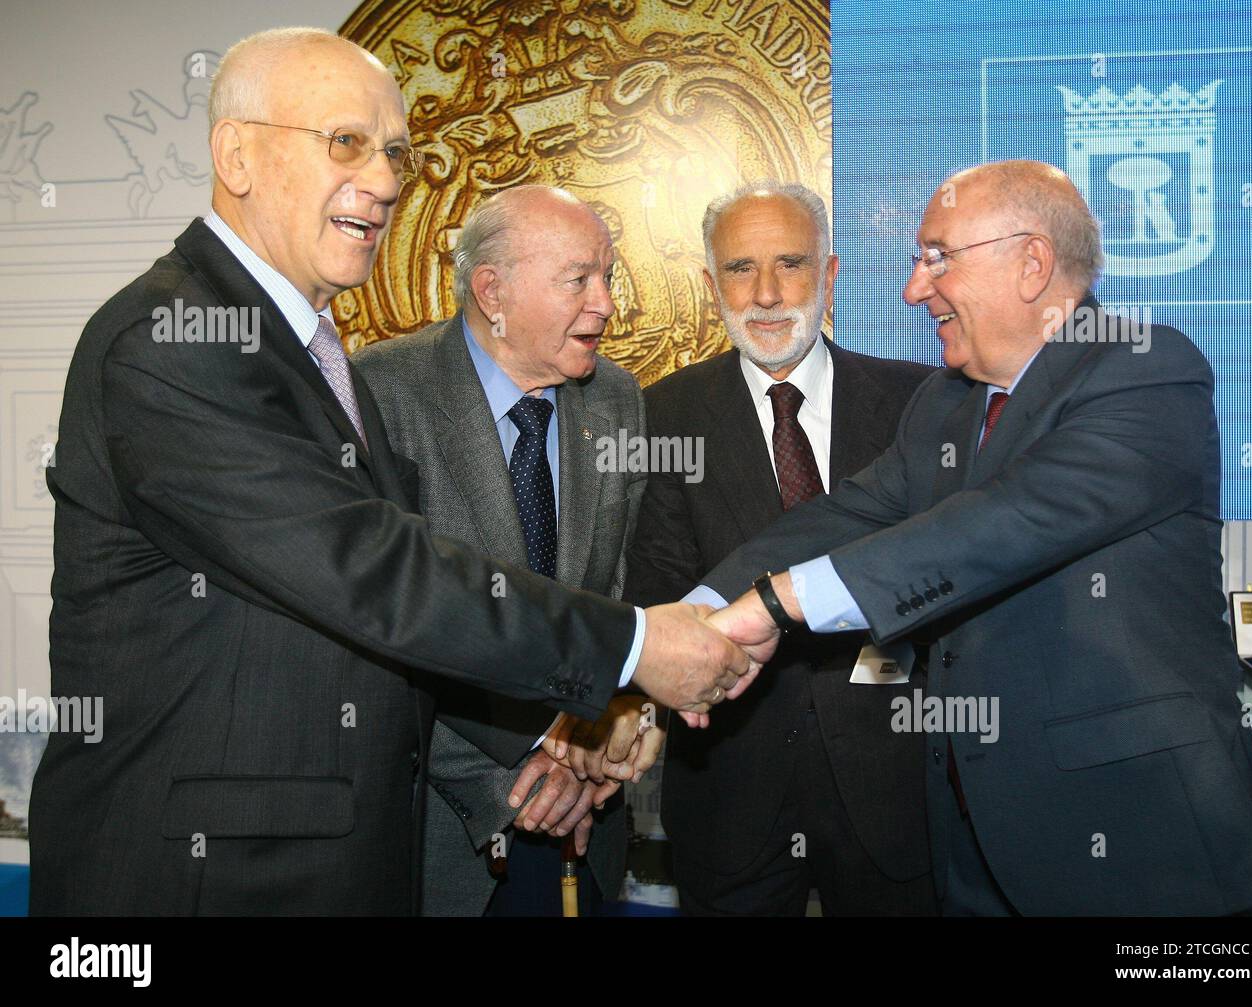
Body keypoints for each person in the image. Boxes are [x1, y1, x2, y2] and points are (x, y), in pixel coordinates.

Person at [30, 27, 756, 916]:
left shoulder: (310, 353)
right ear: (237, 154)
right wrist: (635, 648)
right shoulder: (173, 340)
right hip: (204, 880)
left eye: (395, 153)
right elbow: (381, 573)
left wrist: (575, 729)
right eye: (345, 142)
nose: (382, 182)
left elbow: (394, 639)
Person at [696, 160, 1252, 915]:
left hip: (1143, 857)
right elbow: (843, 515)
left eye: (937, 257)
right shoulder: (944, 406)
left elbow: (997, 527)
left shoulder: (1146, 371)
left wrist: (775, 606)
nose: (916, 289)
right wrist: (700, 608)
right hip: (974, 857)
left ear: (1032, 262)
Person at [624, 181, 937, 915]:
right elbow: (658, 588)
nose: (765, 293)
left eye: (791, 264)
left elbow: (938, 576)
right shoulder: (662, 412)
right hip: (730, 792)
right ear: (710, 286)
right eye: (739, 269)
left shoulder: (918, 404)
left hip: (897, 792)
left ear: (829, 275)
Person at [354, 185, 664, 915]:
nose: (606, 305)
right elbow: (384, 633)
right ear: (493, 290)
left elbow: (621, 597)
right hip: (450, 826)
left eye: (607, 277)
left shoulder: (616, 398)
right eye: (579, 279)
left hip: (587, 829)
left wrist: (609, 730)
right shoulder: (382, 393)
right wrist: (526, 770)